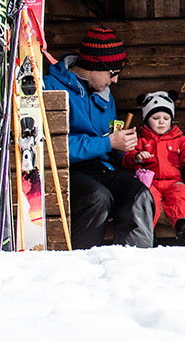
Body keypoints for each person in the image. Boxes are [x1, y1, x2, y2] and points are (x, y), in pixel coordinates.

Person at [43, 26, 154, 248]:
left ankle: (136, 266)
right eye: (112, 73)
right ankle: (81, 266)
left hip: (102, 169)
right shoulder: (51, 87)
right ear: (94, 66)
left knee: (139, 194)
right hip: (68, 172)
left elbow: (108, 142)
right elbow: (54, 147)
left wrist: (123, 149)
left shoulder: (105, 95)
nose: (115, 81)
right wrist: (108, 142)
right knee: (97, 197)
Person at [124, 91, 185, 245]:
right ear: (147, 120)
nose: (161, 122)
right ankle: (147, 232)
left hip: (173, 181)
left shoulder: (180, 139)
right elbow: (127, 158)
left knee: (181, 195)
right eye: (156, 118)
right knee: (147, 199)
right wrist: (138, 157)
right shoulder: (141, 139)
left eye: (166, 118)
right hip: (150, 182)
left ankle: (183, 226)